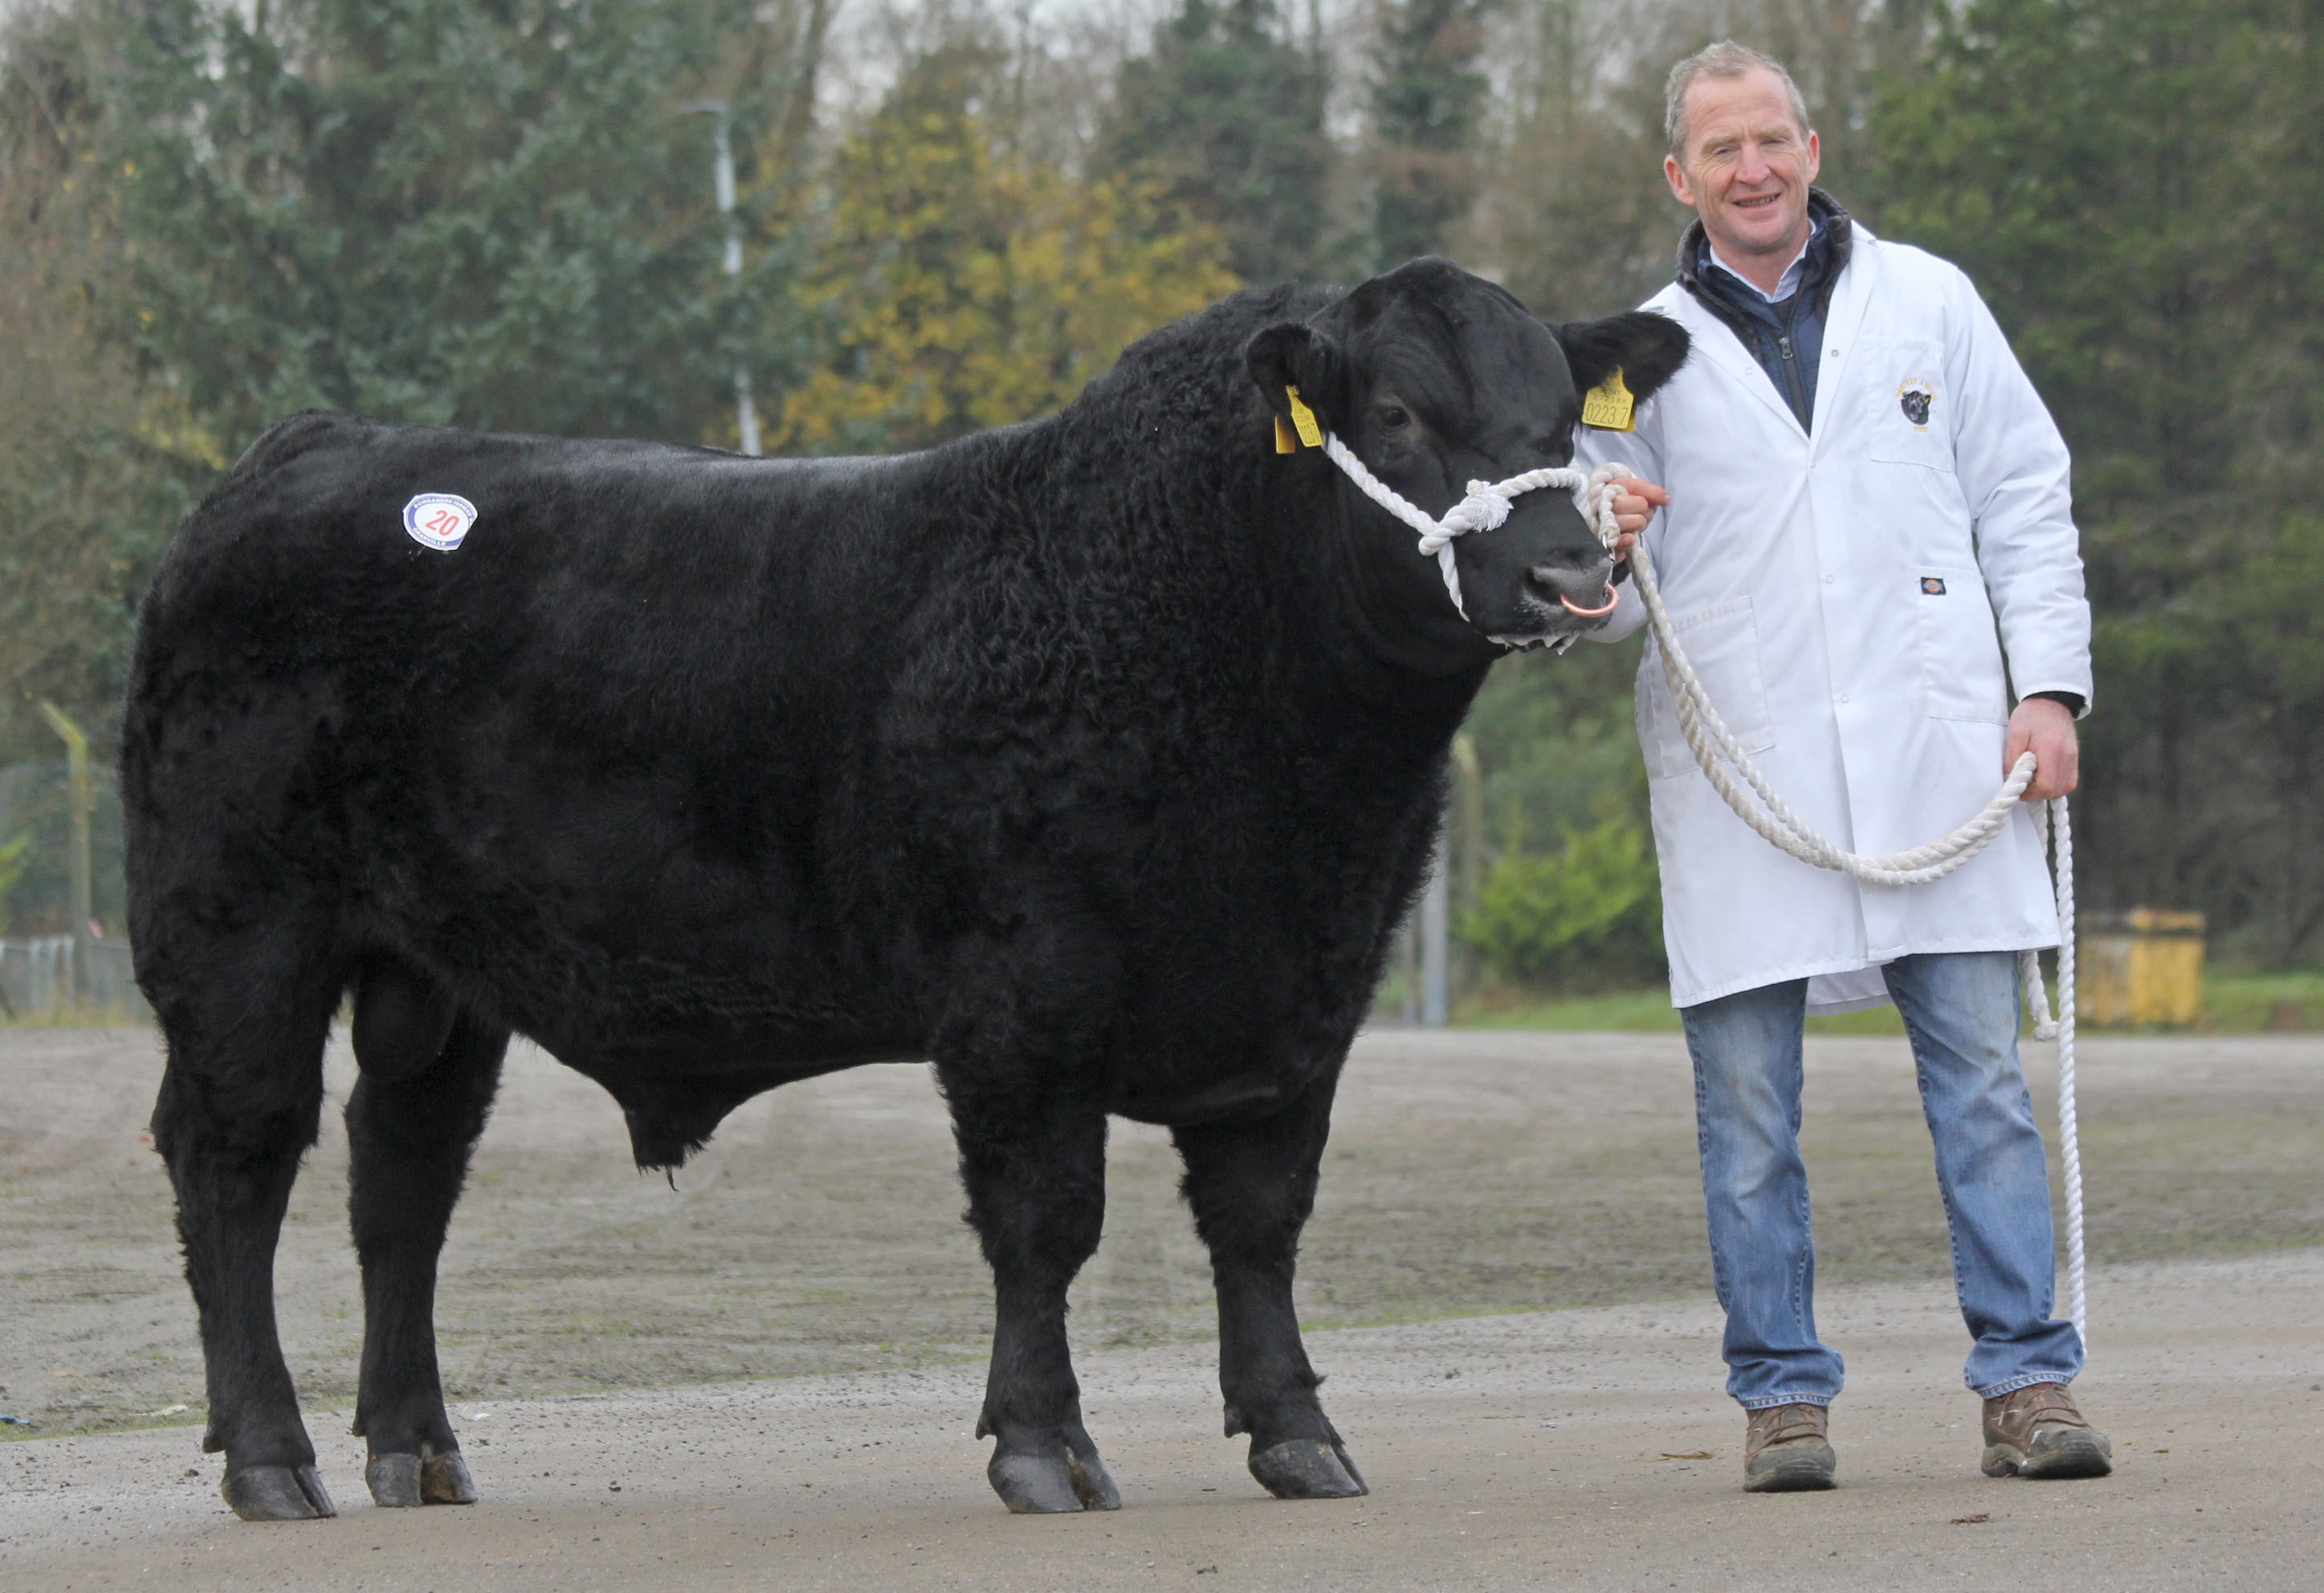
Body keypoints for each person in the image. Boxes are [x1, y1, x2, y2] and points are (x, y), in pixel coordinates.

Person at [1572, 40, 2111, 1493]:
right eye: (1719, 151)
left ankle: (2028, 1384)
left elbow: (2023, 497)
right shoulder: (1629, 358)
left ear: (1810, 147)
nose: (1751, 171)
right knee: (1746, 1117)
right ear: (1676, 176)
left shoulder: (1930, 300)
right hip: (1744, 779)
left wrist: (2048, 689)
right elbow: (1611, 602)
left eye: (1772, 141)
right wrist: (1597, 544)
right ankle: (1781, 1400)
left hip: (1942, 756)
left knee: (1984, 1089)